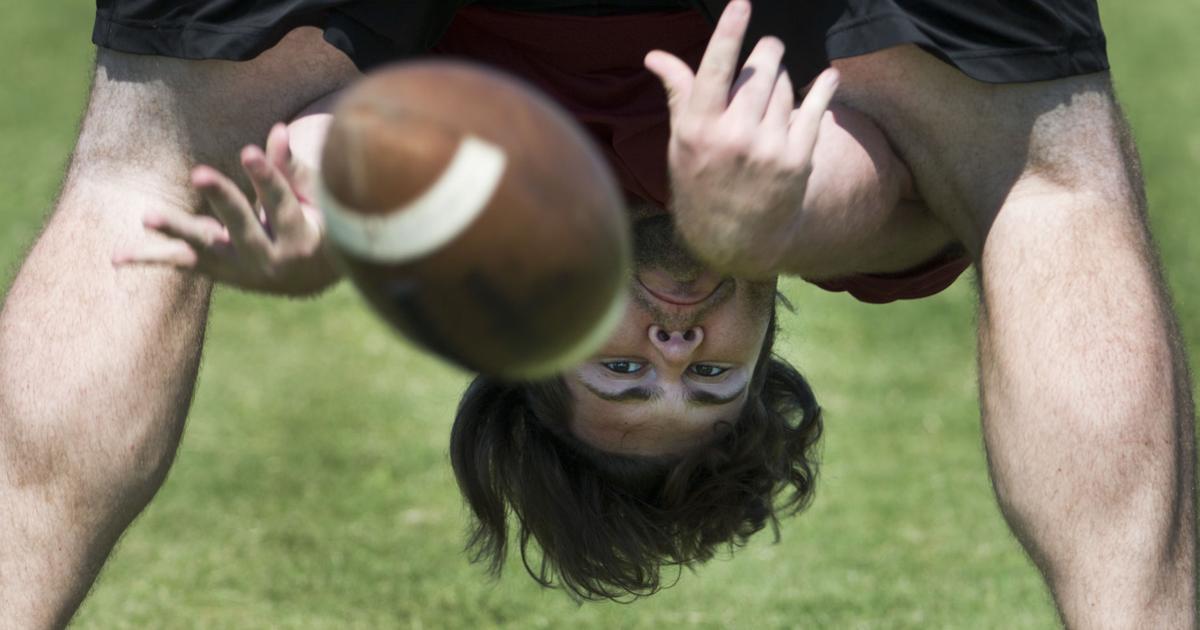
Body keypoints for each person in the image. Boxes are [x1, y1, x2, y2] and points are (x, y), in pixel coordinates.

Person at [0, 0, 1190, 626]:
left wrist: (319, 231)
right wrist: (748, 223)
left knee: (151, 163)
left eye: (622, 379)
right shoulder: (850, 229)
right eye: (712, 380)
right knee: (1044, 175)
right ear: (767, 339)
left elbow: (341, 155)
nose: (674, 349)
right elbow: (869, 193)